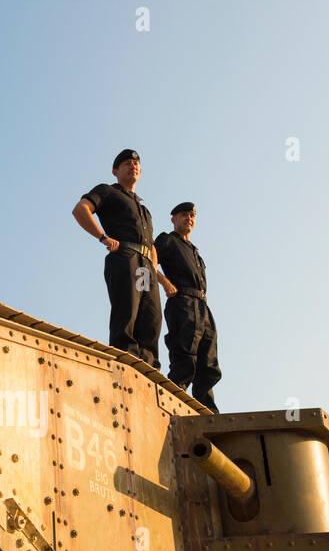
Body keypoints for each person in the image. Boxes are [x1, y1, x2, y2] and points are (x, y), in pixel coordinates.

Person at [72, 149, 175, 367]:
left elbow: (151, 246)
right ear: (115, 171)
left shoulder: (143, 208)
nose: (133, 166)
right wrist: (103, 237)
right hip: (126, 258)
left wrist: (156, 270)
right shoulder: (108, 191)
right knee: (127, 312)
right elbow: (80, 209)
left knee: (151, 318)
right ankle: (125, 361)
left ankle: (148, 366)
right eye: (127, 163)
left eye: (136, 163)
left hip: (145, 266)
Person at [155, 202, 221, 412]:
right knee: (185, 358)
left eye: (192, 216)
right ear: (173, 219)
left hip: (203, 307)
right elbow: (148, 258)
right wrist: (164, 282)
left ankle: (208, 411)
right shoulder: (168, 240)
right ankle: (172, 403)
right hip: (182, 302)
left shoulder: (195, 251)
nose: (189, 218)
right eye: (184, 215)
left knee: (208, 363)